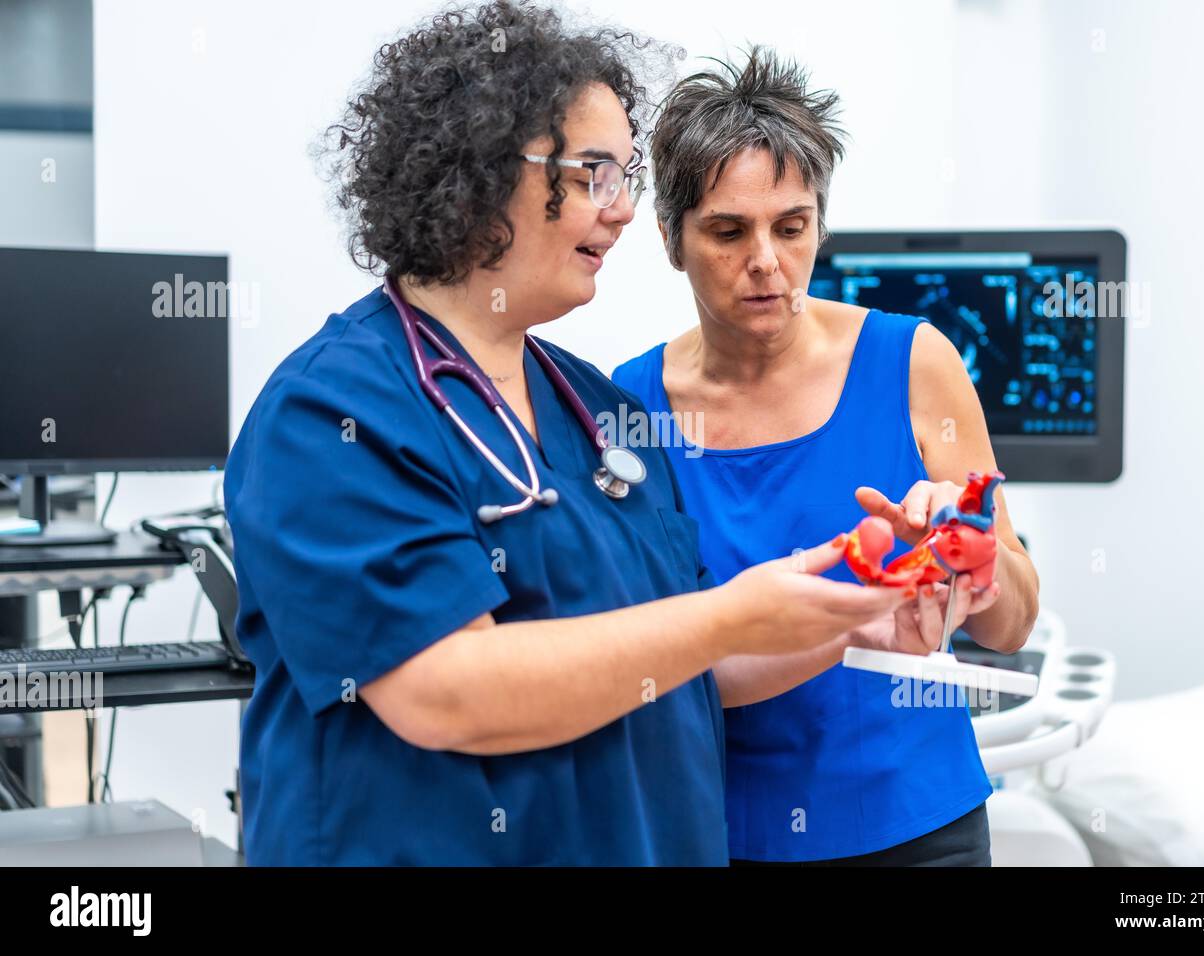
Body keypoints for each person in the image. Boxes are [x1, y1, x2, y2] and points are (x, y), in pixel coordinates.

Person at [223, 2, 908, 865]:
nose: (623, 213)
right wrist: (728, 616)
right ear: (478, 173)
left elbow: (696, 666)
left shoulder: (595, 408)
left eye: (627, 178)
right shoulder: (333, 414)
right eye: (595, 174)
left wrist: (842, 616)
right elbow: (445, 691)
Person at [612, 48, 1040, 866]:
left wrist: (973, 559)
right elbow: (640, 667)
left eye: (792, 227)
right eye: (728, 231)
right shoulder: (625, 410)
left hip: (916, 825)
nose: (766, 262)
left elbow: (1013, 619)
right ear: (671, 238)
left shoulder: (914, 363)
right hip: (718, 832)